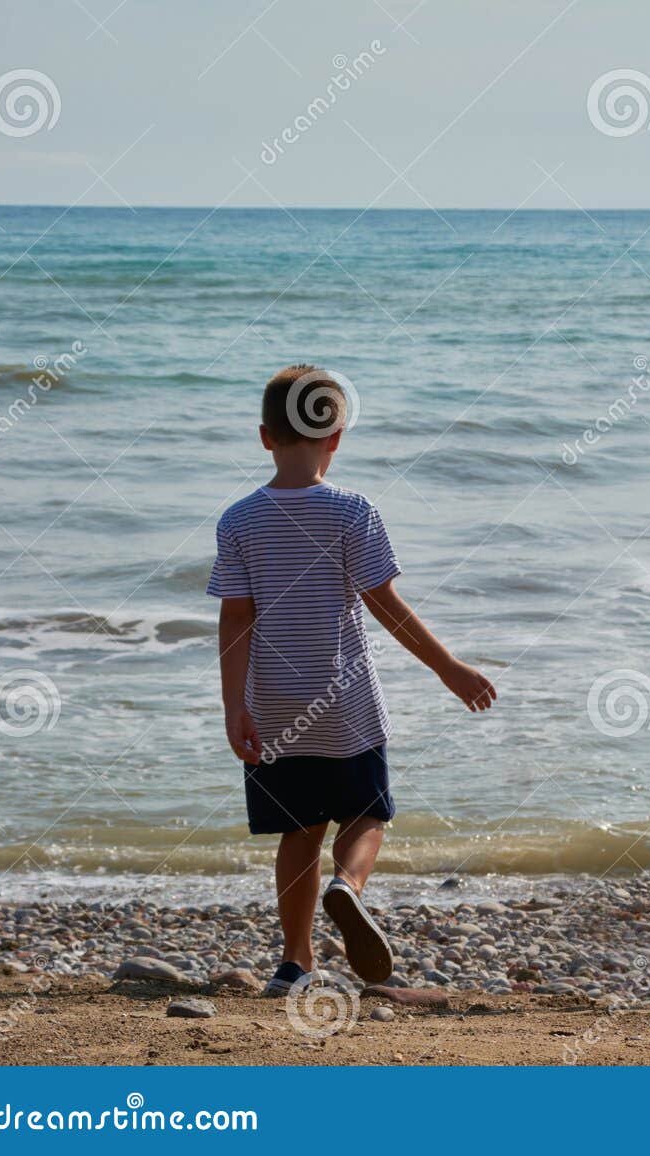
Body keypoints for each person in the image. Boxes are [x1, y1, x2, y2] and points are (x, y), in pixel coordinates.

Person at [207, 364, 496, 994]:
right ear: (335, 436)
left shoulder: (238, 521)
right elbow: (385, 604)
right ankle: (349, 886)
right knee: (366, 813)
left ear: (264, 437)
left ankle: (294, 962)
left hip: (275, 705)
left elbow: (235, 623)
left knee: (297, 830)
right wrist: (449, 667)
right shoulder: (352, 511)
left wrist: (235, 709)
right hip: (344, 701)